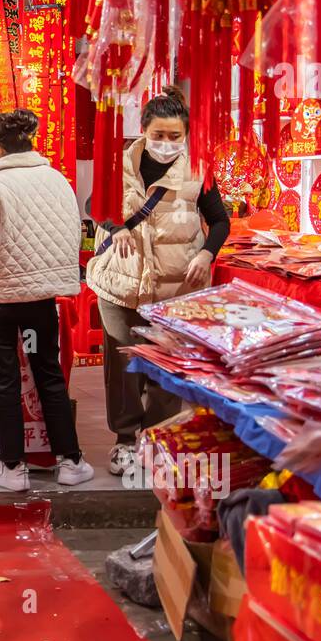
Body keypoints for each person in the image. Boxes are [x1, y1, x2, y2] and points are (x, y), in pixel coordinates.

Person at [88, 86, 230, 476]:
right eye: (158, 135)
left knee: (166, 368)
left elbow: (220, 221)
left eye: (174, 136)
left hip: (174, 289)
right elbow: (92, 205)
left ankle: (157, 440)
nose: (166, 144)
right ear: (143, 131)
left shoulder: (197, 171)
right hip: (121, 283)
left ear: (185, 135)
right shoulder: (117, 165)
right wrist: (113, 226)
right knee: (123, 364)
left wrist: (206, 253)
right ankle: (124, 440)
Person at [0, 109, 92, 492]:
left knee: (6, 379)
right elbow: (71, 236)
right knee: (49, 374)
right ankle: (72, 461)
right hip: (42, 299)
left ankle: (12, 467)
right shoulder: (56, 179)